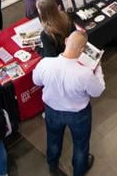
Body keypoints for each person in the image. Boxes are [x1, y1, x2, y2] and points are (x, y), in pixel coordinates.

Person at [32, 30, 104, 176]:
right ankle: (79, 171)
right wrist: (98, 69)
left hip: (52, 111)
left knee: (53, 139)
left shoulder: (46, 63)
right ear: (83, 50)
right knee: (80, 145)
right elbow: (97, 91)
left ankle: (53, 166)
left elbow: (36, 81)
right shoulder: (85, 73)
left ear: (66, 41)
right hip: (78, 115)